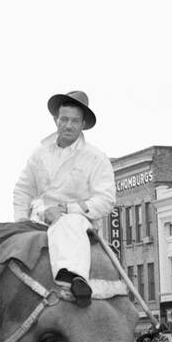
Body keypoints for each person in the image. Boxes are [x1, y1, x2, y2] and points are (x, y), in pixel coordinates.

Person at [12, 90, 115, 305]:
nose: (68, 126)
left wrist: (67, 209)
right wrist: (21, 220)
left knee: (69, 224)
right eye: (64, 119)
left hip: (77, 222)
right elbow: (23, 189)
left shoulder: (96, 158)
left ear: (83, 124)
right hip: (37, 218)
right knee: (0, 244)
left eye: (75, 121)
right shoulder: (40, 153)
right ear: (55, 120)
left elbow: (105, 200)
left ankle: (74, 278)